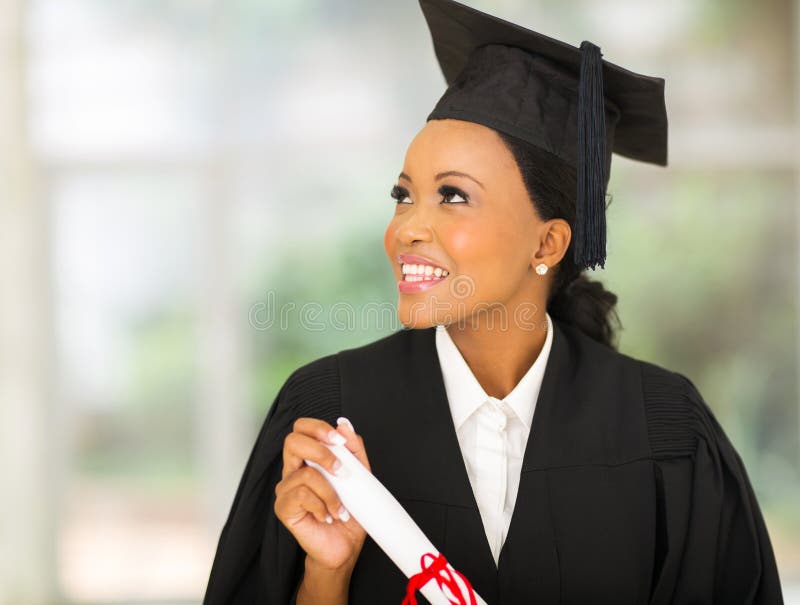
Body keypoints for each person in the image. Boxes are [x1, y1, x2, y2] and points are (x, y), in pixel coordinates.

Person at [202, 0, 785, 603]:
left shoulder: (665, 431)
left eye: (453, 196)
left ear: (548, 242)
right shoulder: (330, 417)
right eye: (403, 196)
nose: (406, 229)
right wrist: (328, 572)